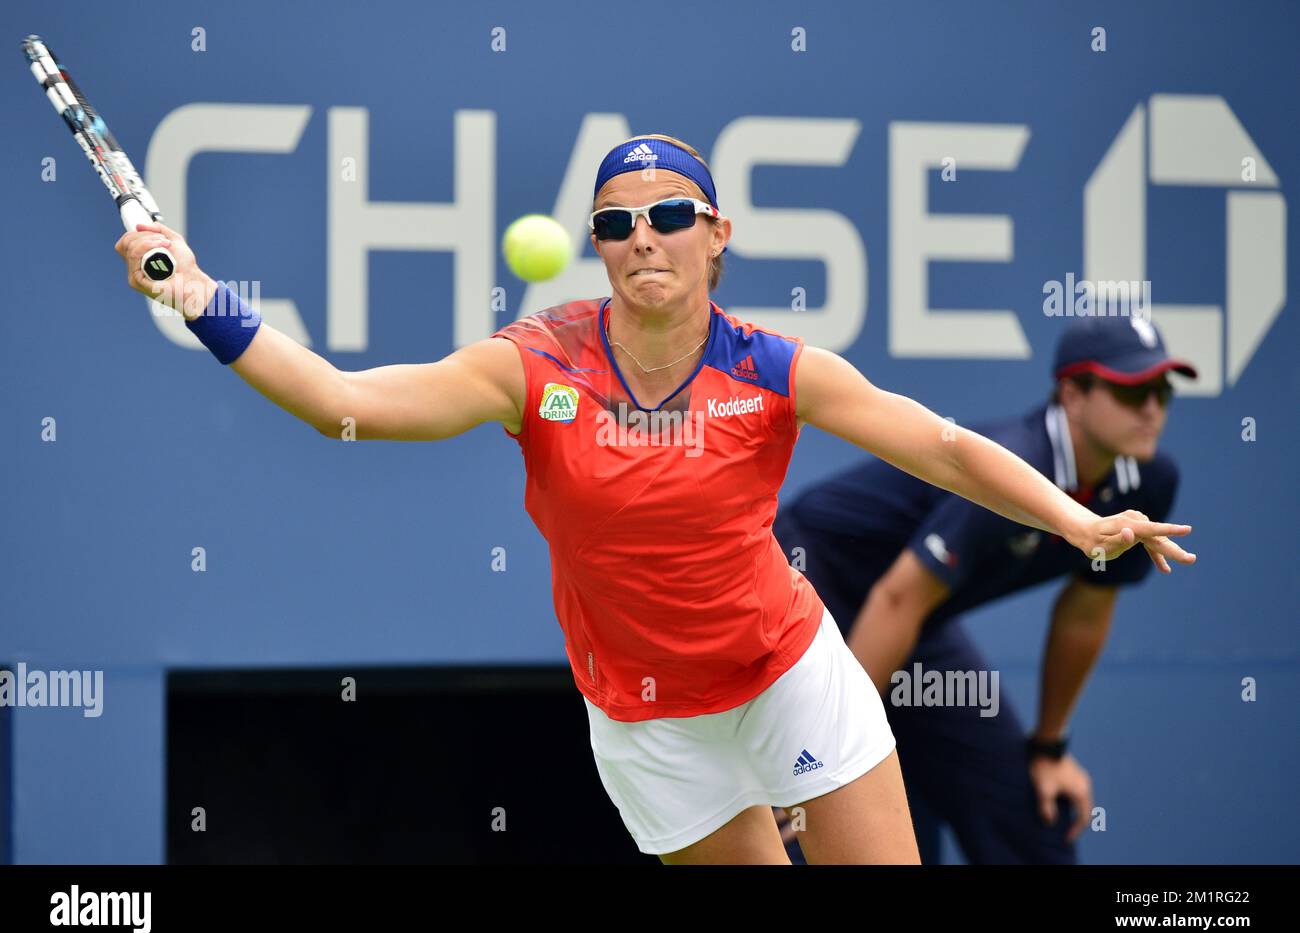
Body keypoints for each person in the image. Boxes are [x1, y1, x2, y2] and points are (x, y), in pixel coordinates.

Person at [114, 133, 1195, 864]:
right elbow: (345, 403)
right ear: (596, 246)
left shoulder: (772, 367)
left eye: (670, 214)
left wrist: (1076, 518)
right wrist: (199, 297)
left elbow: (945, 447)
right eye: (618, 221)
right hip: (645, 722)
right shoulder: (530, 365)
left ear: (715, 235)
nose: (644, 235)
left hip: (788, 676)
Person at [773, 315, 1197, 864]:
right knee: (829, 812)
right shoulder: (1022, 460)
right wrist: (828, 748)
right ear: (1072, 393)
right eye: (1131, 389)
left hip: (912, 618)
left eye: (1162, 391)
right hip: (815, 592)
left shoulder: (1149, 481)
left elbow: (1085, 612)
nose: (1152, 409)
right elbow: (895, 599)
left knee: (1029, 823)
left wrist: (1049, 748)